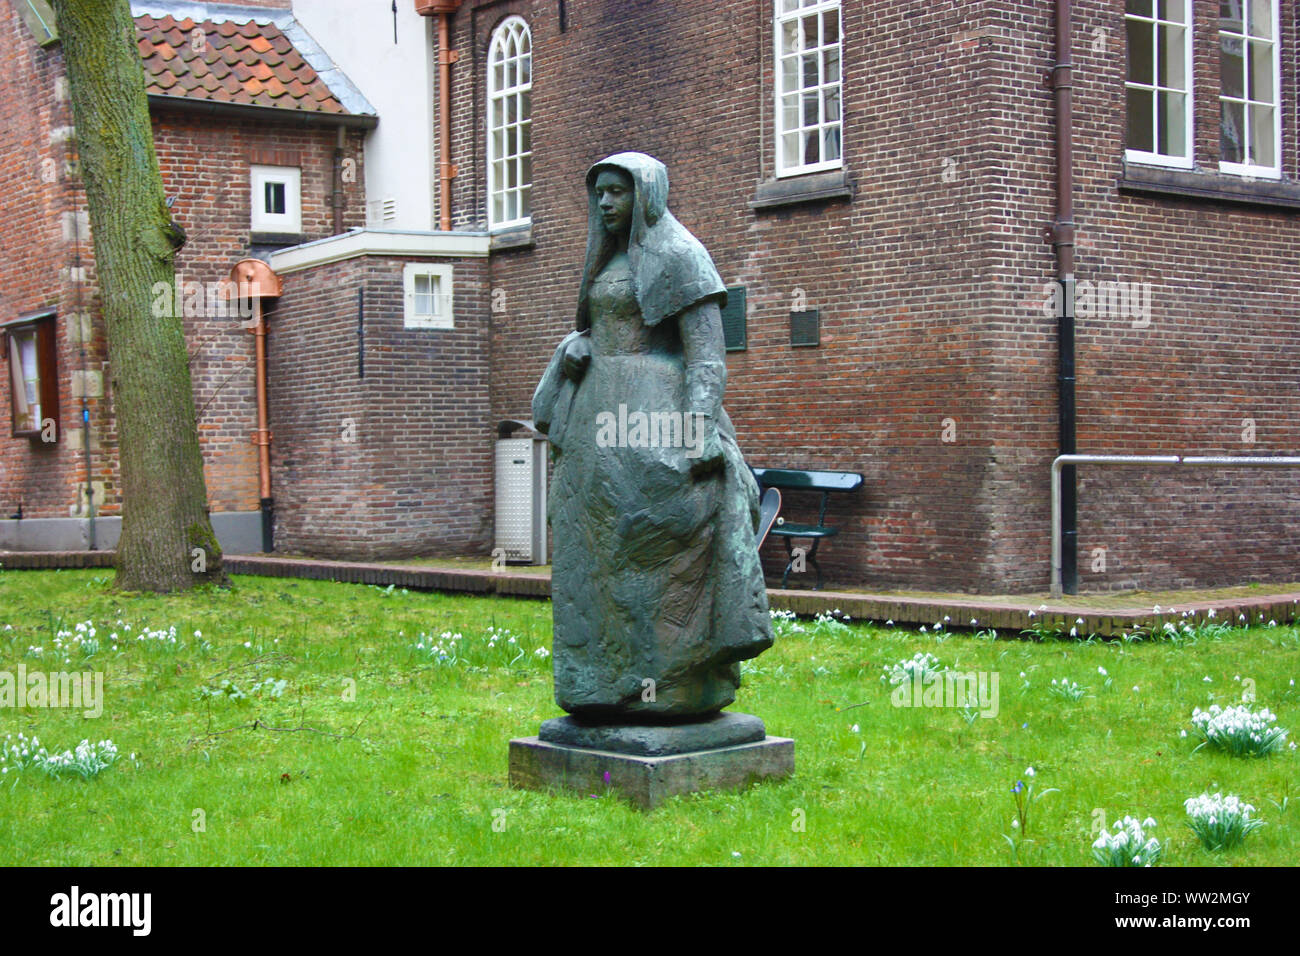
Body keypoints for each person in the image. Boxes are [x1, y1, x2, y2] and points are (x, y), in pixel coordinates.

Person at [533, 151, 773, 721]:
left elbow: (708, 358)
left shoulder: (682, 257)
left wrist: (698, 433)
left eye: (617, 192)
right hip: (597, 425)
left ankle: (674, 686)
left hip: (657, 426)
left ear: (647, 193)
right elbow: (594, 327)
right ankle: (595, 681)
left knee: (656, 552)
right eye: (600, 194)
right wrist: (573, 349)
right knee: (596, 551)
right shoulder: (609, 258)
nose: (606, 203)